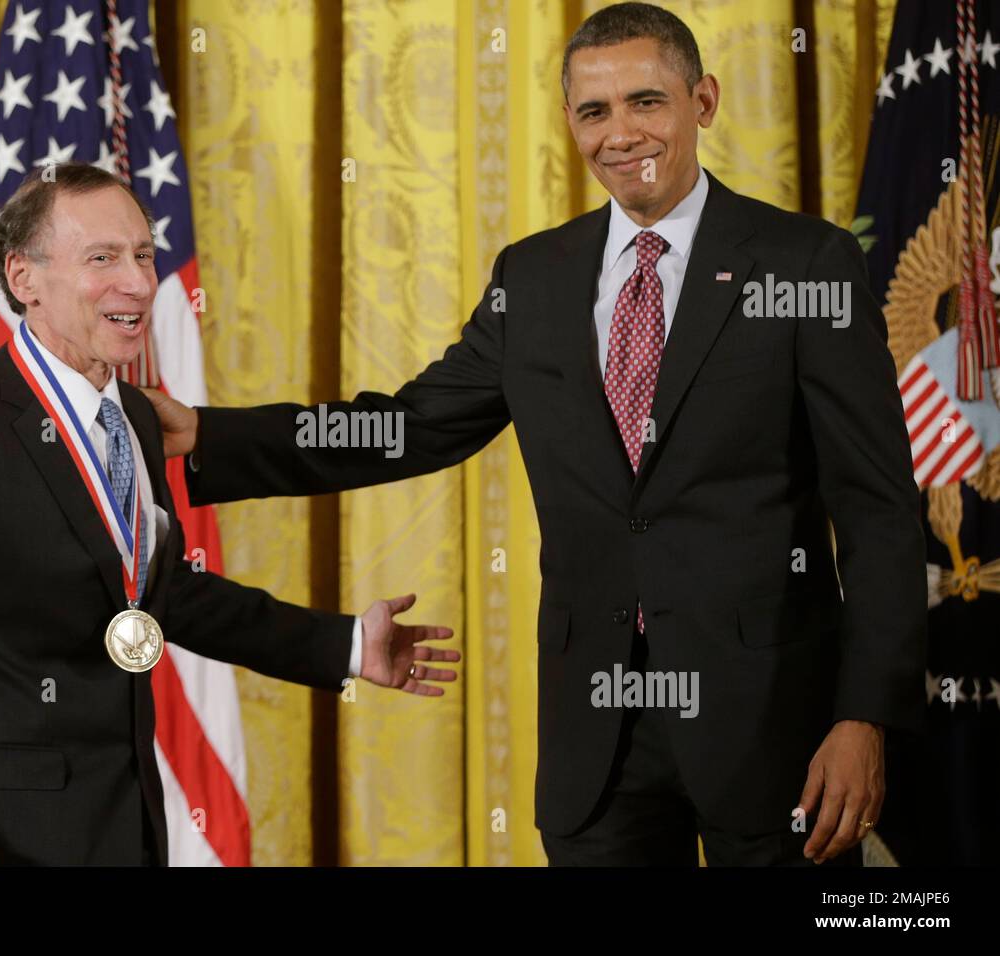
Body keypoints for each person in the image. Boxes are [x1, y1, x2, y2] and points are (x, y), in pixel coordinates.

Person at [144, 2, 925, 866]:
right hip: (598, 745)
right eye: (594, 112)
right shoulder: (536, 277)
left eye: (645, 102)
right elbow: (408, 425)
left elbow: (879, 508)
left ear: (701, 100)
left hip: (774, 733)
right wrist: (208, 435)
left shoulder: (808, 264)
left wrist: (865, 716)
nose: (620, 134)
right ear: (570, 124)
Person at [0, 163, 459, 867]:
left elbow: (162, 596)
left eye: (144, 255)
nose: (136, 282)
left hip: (130, 830)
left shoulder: (134, 415)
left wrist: (344, 646)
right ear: (23, 278)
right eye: (103, 258)